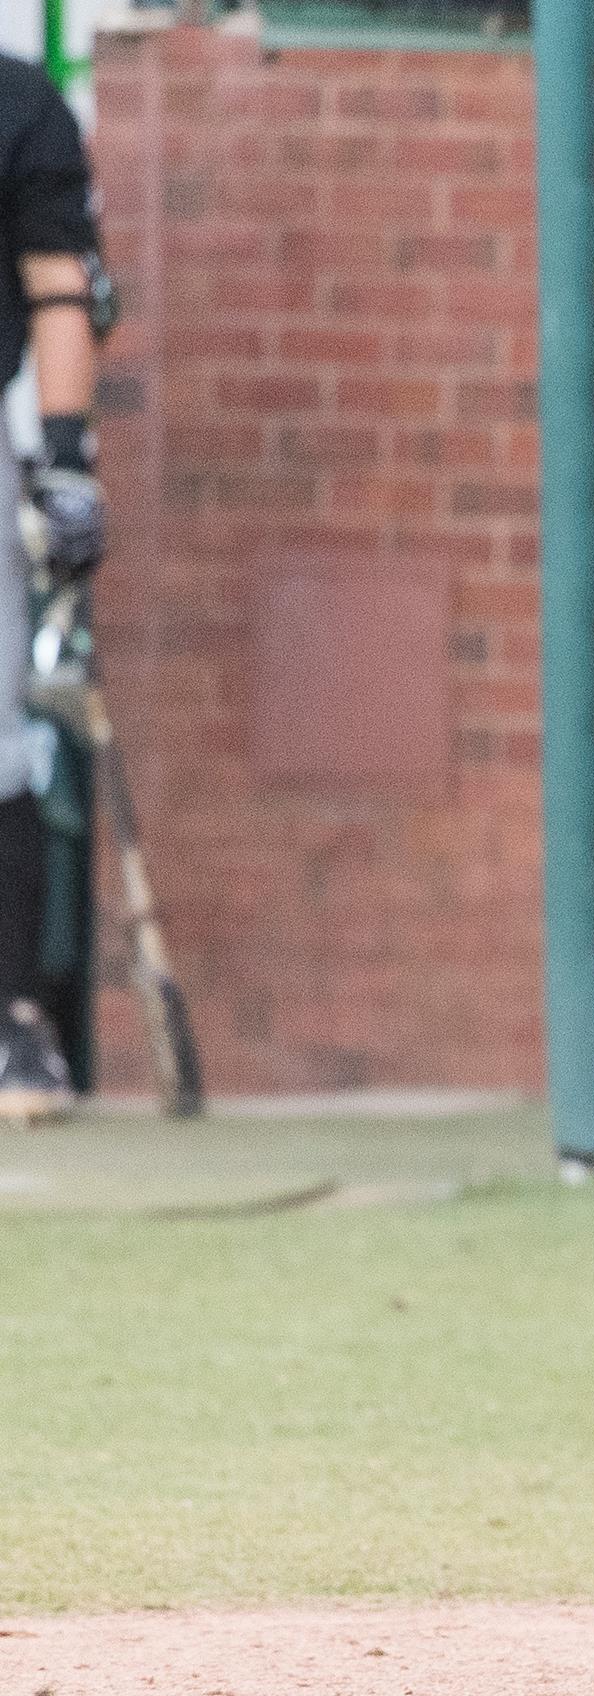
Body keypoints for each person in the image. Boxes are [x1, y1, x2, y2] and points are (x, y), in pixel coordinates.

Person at [0, 52, 104, 1124]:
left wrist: (66, 463)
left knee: (1, 738)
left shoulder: (20, 104)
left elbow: (60, 282)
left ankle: (13, 1023)